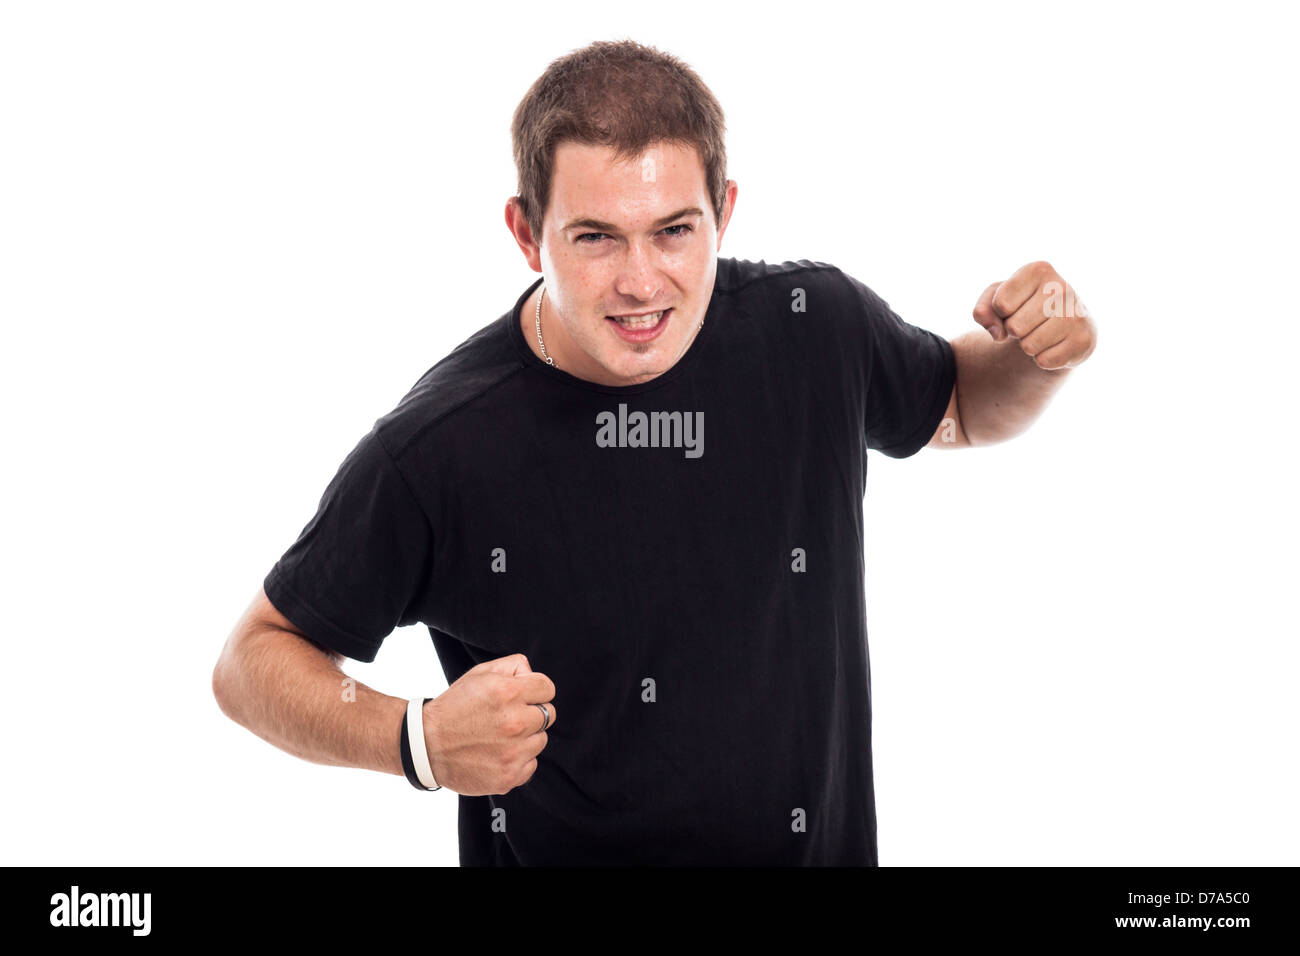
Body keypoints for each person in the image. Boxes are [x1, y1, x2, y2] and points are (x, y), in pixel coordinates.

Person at [212, 38, 1097, 866]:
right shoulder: (441, 448)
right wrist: (418, 741)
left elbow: (962, 408)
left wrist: (1035, 353)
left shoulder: (815, 329)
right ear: (526, 233)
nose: (640, 283)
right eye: (594, 237)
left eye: (674, 230)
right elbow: (252, 661)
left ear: (725, 212)